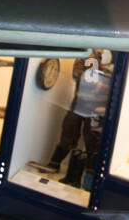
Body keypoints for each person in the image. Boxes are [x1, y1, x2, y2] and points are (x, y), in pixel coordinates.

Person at [44, 51, 113, 187]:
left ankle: (88, 178)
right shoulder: (86, 56)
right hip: (78, 106)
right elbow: (78, 75)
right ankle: (55, 165)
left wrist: (101, 81)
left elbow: (110, 84)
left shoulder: (107, 67)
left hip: (95, 110)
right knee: (68, 134)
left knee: (92, 142)